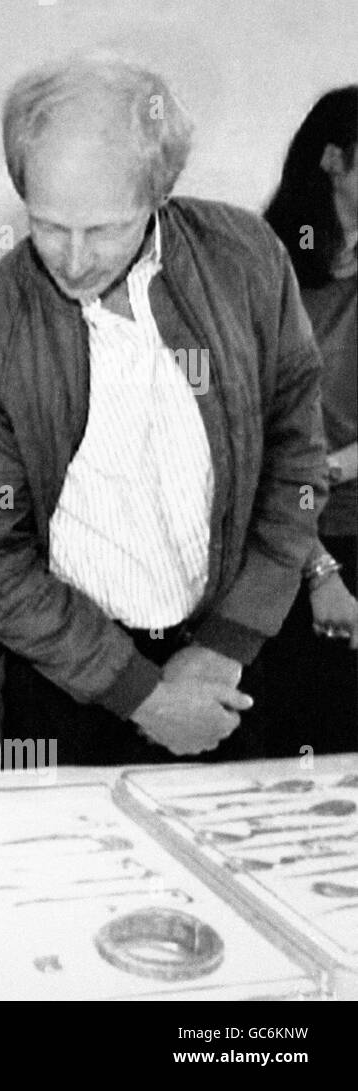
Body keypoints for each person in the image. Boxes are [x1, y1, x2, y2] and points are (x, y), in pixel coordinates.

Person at [0, 52, 328, 766]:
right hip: (70, 687)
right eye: (48, 227)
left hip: (235, 664)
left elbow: (295, 457)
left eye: (104, 230)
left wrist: (229, 643)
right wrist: (139, 690)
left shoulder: (246, 259)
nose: (74, 260)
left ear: (158, 192)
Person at [259, 85, 358, 756]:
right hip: (289, 542)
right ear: (332, 160)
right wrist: (319, 570)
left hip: (344, 513)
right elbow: (243, 430)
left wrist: (333, 465)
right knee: (292, 754)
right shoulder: (263, 265)